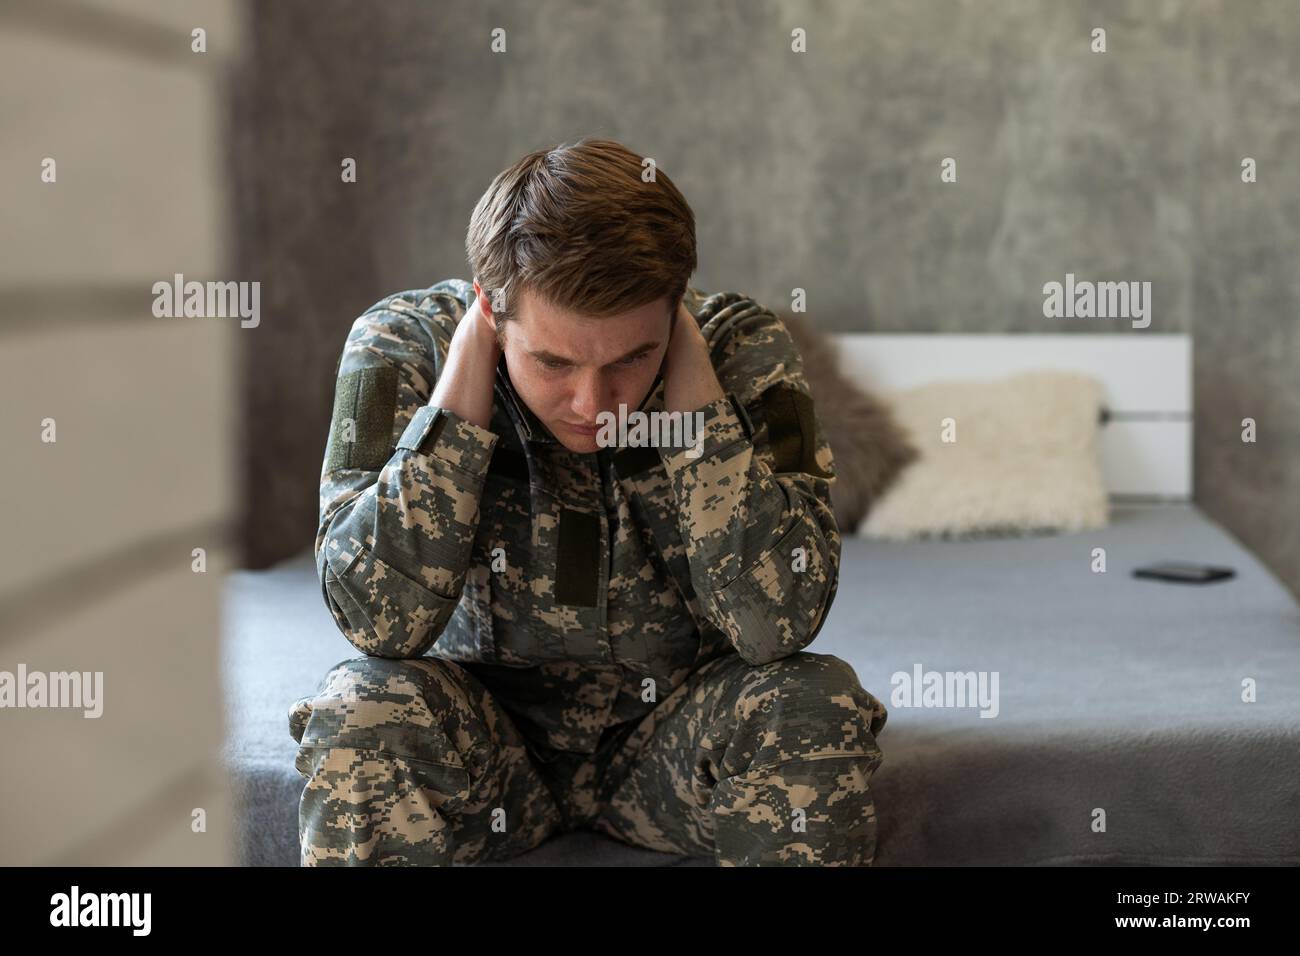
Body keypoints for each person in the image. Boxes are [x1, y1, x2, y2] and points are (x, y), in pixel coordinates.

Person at [288, 136, 888, 866]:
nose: (593, 402)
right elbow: (375, 621)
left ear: (675, 315)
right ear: (490, 306)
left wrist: (695, 412)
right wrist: (457, 417)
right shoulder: (401, 345)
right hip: (484, 752)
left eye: (633, 357)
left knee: (811, 700)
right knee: (361, 707)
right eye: (552, 361)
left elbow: (778, 626)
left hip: (673, 742)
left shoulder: (744, 350)